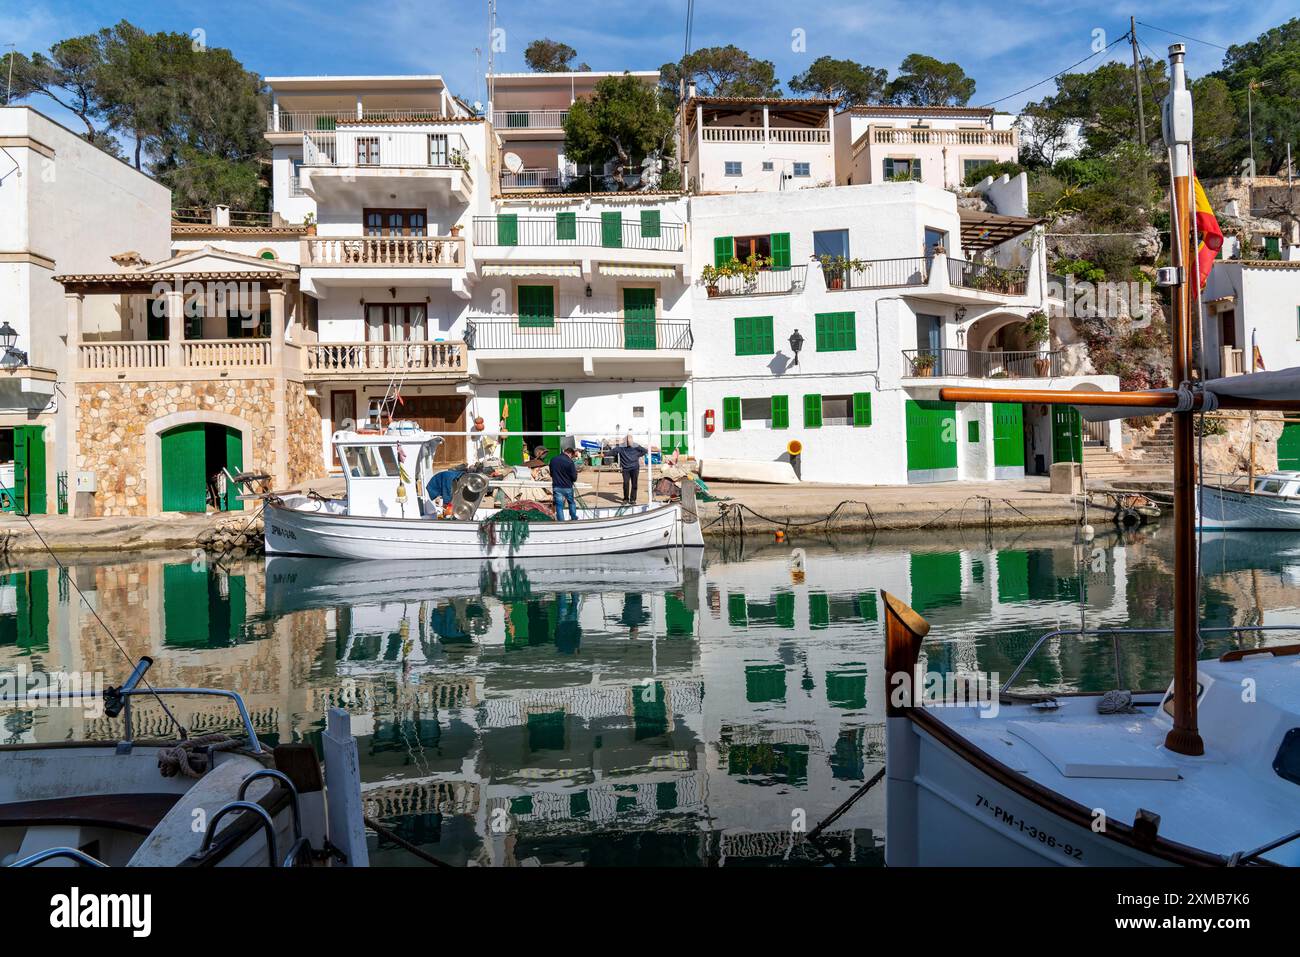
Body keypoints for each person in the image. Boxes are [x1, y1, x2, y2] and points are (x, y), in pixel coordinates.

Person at [548, 447, 580, 520]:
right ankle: (573, 517)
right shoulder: (570, 462)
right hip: (567, 486)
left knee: (559, 505)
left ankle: (561, 522)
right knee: (571, 502)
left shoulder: (553, 460)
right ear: (570, 453)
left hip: (557, 486)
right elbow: (574, 478)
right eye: (572, 456)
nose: (571, 457)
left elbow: (551, 474)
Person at [614, 434, 647, 504]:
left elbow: (644, 451)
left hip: (635, 468)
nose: (630, 444)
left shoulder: (636, 445)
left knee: (634, 484)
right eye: (628, 443)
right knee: (626, 483)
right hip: (625, 469)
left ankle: (633, 499)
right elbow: (613, 451)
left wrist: (637, 455)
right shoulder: (620, 447)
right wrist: (604, 455)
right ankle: (626, 499)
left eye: (631, 442)